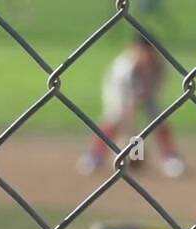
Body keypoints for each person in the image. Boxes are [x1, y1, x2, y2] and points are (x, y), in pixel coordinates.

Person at [77, 34, 185, 178]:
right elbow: (128, 109)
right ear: (134, 50)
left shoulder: (160, 65)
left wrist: (136, 149)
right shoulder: (124, 69)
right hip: (118, 91)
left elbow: (155, 89)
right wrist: (134, 145)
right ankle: (95, 156)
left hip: (148, 93)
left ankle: (170, 157)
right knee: (114, 119)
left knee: (159, 119)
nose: (145, 55)